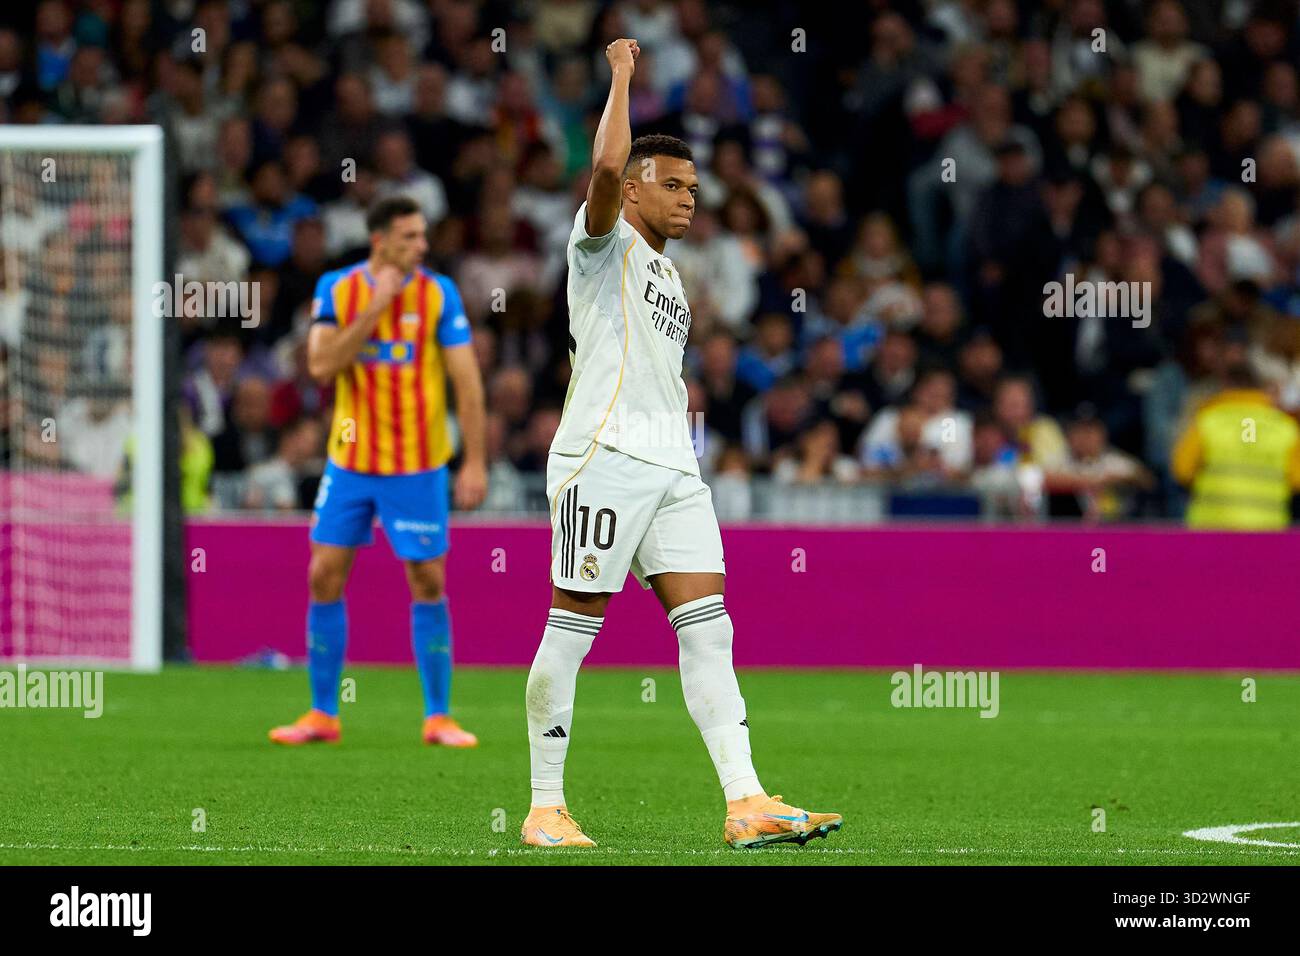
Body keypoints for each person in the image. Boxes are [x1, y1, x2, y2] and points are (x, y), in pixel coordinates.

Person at [520, 38, 842, 850]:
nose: (692, 200)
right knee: (575, 624)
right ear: (634, 190)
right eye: (675, 186)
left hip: (672, 465)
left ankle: (746, 801)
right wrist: (624, 75)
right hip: (605, 457)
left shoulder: (667, 277)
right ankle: (544, 806)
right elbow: (599, 174)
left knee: (709, 627)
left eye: (696, 188)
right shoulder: (601, 248)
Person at [268, 196, 488, 747]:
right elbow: (320, 365)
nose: (422, 246)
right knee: (323, 573)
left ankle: (438, 716)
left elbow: (466, 382)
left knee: (428, 579)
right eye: (410, 237)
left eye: (423, 236)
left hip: (418, 463)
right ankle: (323, 714)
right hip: (350, 460)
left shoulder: (438, 293)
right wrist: (374, 310)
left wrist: (476, 460)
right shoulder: (337, 289)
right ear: (380, 241)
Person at [1171, 365, 1300, 529]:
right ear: (1260, 388)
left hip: (1211, 529)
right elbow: (1297, 480)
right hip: (1267, 530)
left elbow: (1182, 470)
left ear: (1225, 387)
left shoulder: (1208, 422)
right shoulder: (1285, 428)